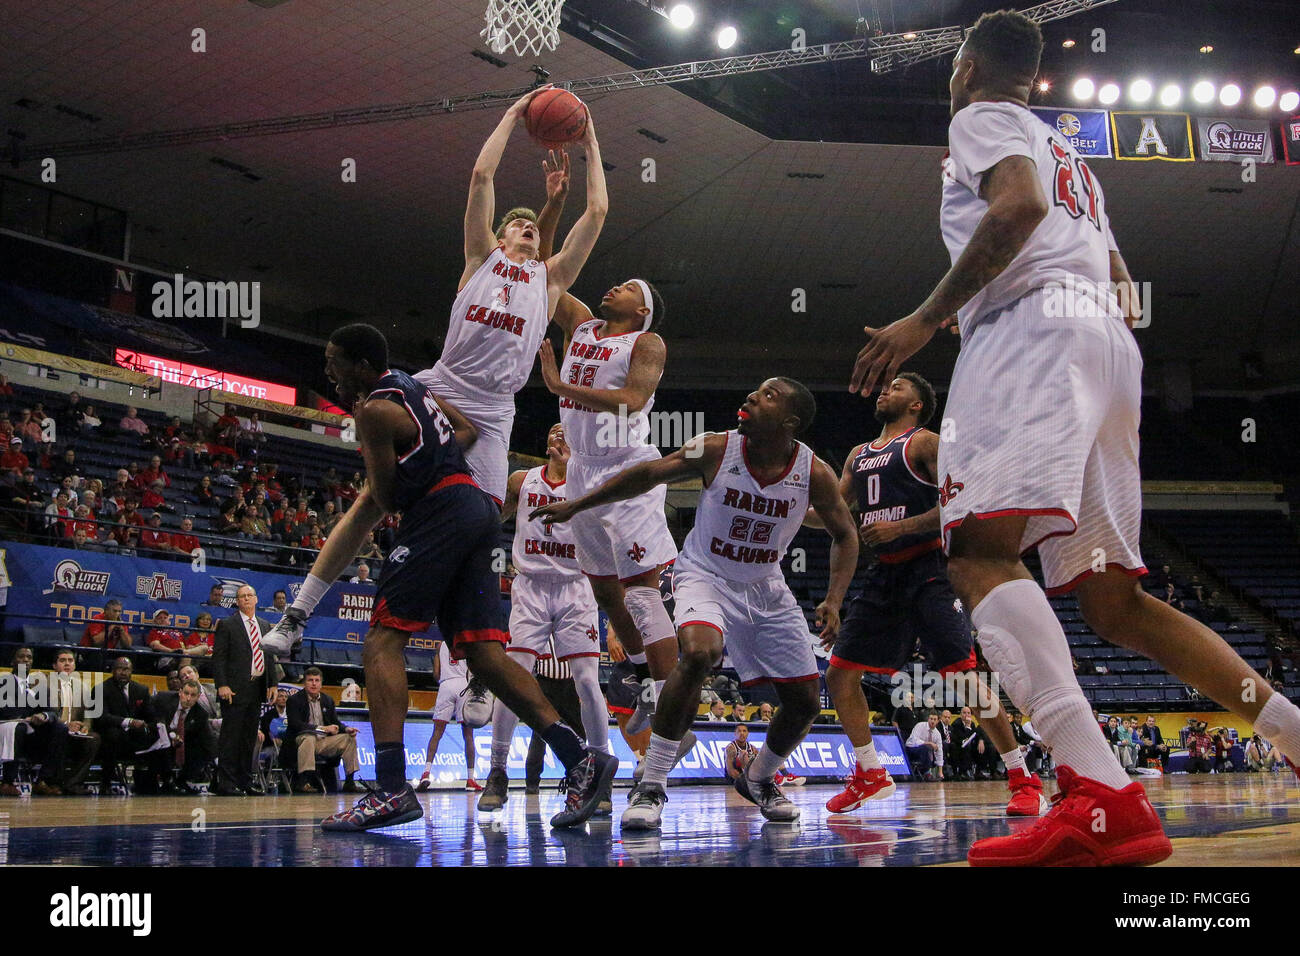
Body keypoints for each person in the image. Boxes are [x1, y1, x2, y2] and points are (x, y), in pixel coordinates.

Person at [847, 9, 1300, 865]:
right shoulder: (1075, 157)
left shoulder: (978, 118)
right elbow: (1124, 288)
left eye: (953, 69)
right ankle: (1293, 733)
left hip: (1036, 340)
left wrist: (931, 317)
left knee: (979, 554)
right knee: (1112, 601)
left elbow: (1014, 208)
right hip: (1108, 346)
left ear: (970, 68)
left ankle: (1099, 793)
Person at [267, 324, 614, 831]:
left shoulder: (373, 412)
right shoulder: (413, 386)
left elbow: (386, 499)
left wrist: (407, 476)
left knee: (383, 639)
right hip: (476, 506)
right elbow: (467, 431)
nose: (328, 372)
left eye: (333, 362)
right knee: (487, 656)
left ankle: (389, 788)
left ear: (361, 367)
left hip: (440, 513)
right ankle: (581, 757)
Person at [534, 376, 858, 829]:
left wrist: (834, 598)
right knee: (700, 652)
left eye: (766, 395)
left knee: (804, 701)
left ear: (790, 422)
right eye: (754, 388)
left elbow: (846, 533)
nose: (749, 395)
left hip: (766, 585)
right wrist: (578, 503)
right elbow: (649, 473)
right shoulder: (713, 448)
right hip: (704, 575)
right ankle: (652, 784)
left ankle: (759, 777)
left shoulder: (814, 472)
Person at [811, 372, 1045, 816]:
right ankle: (870, 773)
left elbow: (960, 502)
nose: (885, 390)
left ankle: (1022, 776)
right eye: (886, 386)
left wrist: (900, 526)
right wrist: (779, 510)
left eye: (897, 387)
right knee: (839, 676)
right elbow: (834, 517)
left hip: (931, 569)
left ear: (917, 404)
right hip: (885, 576)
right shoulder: (858, 455)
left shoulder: (926, 443)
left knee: (961, 678)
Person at [536, 275, 678, 741]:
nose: (614, 287)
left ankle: (668, 693)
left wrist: (559, 385)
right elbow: (551, 277)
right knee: (604, 592)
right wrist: (553, 207)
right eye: (614, 283)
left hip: (627, 467)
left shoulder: (646, 341)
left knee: (639, 589)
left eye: (628, 288)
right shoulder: (581, 326)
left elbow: (633, 401)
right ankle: (641, 676)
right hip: (582, 468)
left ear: (643, 310)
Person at [479, 423, 627, 813]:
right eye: (555, 430)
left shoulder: (590, 489)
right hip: (530, 586)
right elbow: (490, 521)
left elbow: (609, 544)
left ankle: (598, 771)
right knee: (516, 673)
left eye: (566, 433)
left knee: (586, 681)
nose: (557, 435)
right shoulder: (521, 480)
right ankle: (497, 771)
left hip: (574, 587)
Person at [212, 584, 272, 796]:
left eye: (249, 595)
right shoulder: (228, 624)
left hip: (256, 688)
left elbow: (269, 656)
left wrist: (272, 683)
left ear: (256, 599)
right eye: (242, 596)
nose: (246, 599)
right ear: (237, 601)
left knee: (249, 738)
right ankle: (226, 783)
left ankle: (245, 780)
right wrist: (222, 684)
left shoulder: (265, 625)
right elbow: (218, 658)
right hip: (234, 689)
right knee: (231, 737)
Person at [0, 647, 68, 796]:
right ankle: (7, 782)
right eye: (21, 657)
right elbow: (4, 711)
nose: (25, 660)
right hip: (8, 729)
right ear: (12, 662)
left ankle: (42, 780)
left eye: (29, 657)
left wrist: (43, 715)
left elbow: (52, 712)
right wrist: (28, 718)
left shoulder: (39, 686)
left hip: (31, 735)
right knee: (18, 727)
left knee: (60, 728)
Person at [95, 656, 168, 793]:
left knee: (160, 732)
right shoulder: (101, 689)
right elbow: (101, 717)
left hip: (136, 736)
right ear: (113, 670)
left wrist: (157, 725)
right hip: (113, 734)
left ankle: (159, 781)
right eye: (119, 669)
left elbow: (151, 715)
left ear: (132, 671)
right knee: (112, 735)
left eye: (126, 669)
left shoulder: (141, 690)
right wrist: (129, 722)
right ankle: (106, 782)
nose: (123, 673)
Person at [417, 641, 482, 793]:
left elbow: (436, 674)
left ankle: (426, 773)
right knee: (468, 735)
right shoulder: (467, 642)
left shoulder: (440, 646)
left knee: (436, 733)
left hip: (445, 685)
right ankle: (470, 779)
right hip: (464, 685)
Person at [287, 668, 359, 793]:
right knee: (309, 738)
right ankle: (304, 781)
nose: (314, 684)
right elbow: (295, 724)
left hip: (323, 740)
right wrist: (321, 728)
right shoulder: (294, 700)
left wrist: (347, 729)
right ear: (305, 683)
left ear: (321, 683)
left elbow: (335, 722)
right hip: (300, 739)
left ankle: (349, 781)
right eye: (310, 680)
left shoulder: (328, 700)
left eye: (317, 680)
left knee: (349, 738)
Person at [49, 649, 100, 794]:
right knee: (60, 733)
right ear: (54, 665)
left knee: (94, 739)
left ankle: (73, 783)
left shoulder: (82, 686)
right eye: (62, 660)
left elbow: (89, 713)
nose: (67, 664)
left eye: (70, 661)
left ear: (74, 666)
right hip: (54, 731)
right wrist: (65, 725)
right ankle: (54, 782)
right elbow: (48, 714)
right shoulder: (45, 684)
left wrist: (85, 726)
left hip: (75, 733)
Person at [153, 680, 213, 793]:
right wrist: (171, 735)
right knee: (163, 741)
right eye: (186, 693)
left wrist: (217, 759)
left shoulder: (201, 714)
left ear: (198, 697)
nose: (188, 698)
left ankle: (182, 780)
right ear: (180, 692)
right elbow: (152, 717)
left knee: (202, 750)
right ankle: (168, 780)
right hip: (159, 737)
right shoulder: (163, 698)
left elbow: (208, 740)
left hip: (183, 743)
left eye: (193, 695)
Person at [904, 712, 944, 780]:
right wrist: (929, 743)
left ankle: (930, 773)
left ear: (938, 721)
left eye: (934, 719)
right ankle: (926, 772)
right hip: (911, 749)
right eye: (931, 719)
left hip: (925, 752)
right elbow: (914, 740)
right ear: (928, 719)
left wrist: (940, 772)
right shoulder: (920, 726)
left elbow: (939, 752)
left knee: (938, 749)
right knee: (926, 747)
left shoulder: (937, 734)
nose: (932, 721)